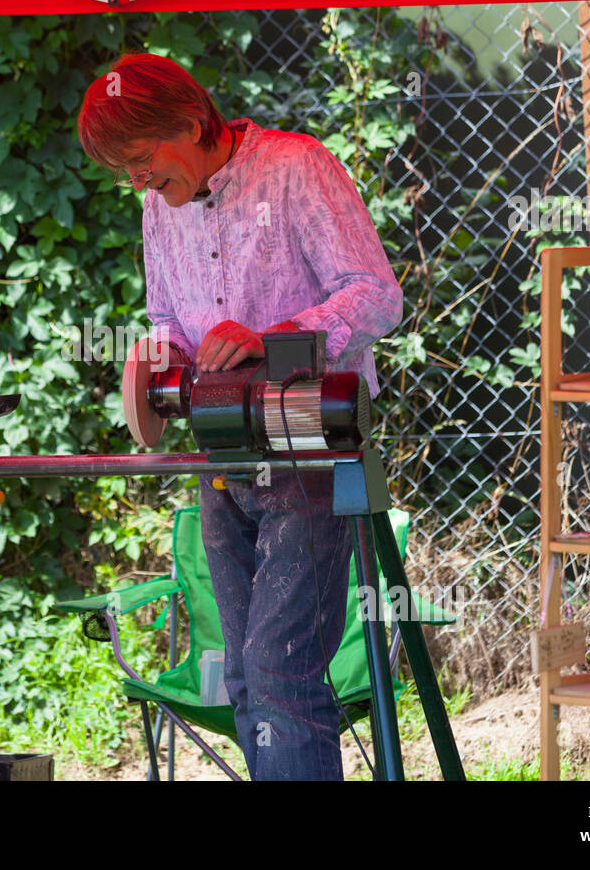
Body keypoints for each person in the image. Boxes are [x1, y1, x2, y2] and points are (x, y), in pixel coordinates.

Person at [77, 53, 403, 780]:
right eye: (121, 168)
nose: (135, 180)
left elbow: (376, 295)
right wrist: (158, 356)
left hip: (313, 440)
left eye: (139, 158)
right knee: (246, 680)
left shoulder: (298, 168)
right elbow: (165, 319)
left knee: (282, 670)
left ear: (192, 123)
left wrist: (276, 335)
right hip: (221, 446)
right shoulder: (156, 206)